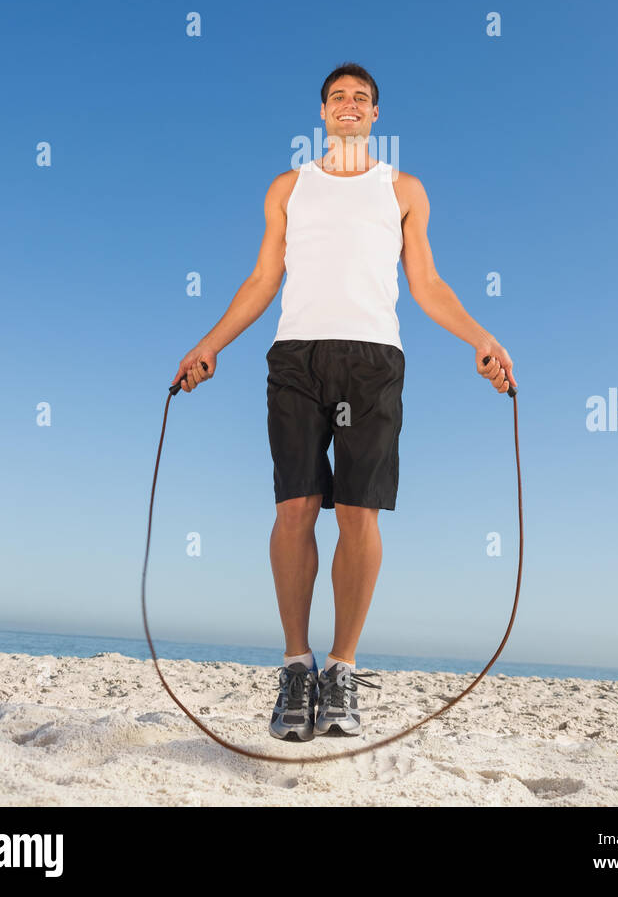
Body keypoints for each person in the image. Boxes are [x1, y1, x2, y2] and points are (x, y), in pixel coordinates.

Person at [171, 63, 514, 742]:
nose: (349, 105)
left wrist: (481, 337)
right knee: (295, 507)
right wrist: (208, 345)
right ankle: (296, 668)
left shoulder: (403, 188)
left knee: (360, 514)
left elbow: (427, 282)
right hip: (297, 357)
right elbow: (264, 277)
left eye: (362, 98)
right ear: (322, 113)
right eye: (338, 97)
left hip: (373, 360)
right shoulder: (289, 187)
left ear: (376, 115)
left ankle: (342, 670)